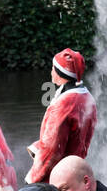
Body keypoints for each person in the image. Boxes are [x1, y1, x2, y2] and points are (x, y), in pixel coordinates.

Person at [27, 48, 97, 184]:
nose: (51, 71)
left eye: (53, 68)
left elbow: (51, 149)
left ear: (61, 73)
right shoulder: (87, 97)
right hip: (76, 168)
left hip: (58, 176)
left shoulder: (64, 104)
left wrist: (32, 179)